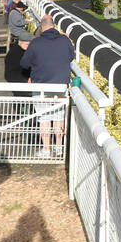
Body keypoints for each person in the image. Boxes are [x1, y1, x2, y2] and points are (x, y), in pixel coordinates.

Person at [20, 13, 75, 159]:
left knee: (44, 119)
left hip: (41, 86)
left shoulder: (36, 43)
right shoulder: (65, 40)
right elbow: (71, 56)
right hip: (61, 86)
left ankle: (46, 149)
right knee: (58, 117)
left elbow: (24, 63)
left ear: (42, 27)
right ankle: (58, 147)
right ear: (54, 26)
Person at [5, 0, 32, 83]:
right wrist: (26, 21)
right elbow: (17, 23)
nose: (23, 10)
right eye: (22, 9)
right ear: (19, 8)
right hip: (17, 31)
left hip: (16, 30)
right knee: (31, 37)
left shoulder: (15, 12)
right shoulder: (14, 13)